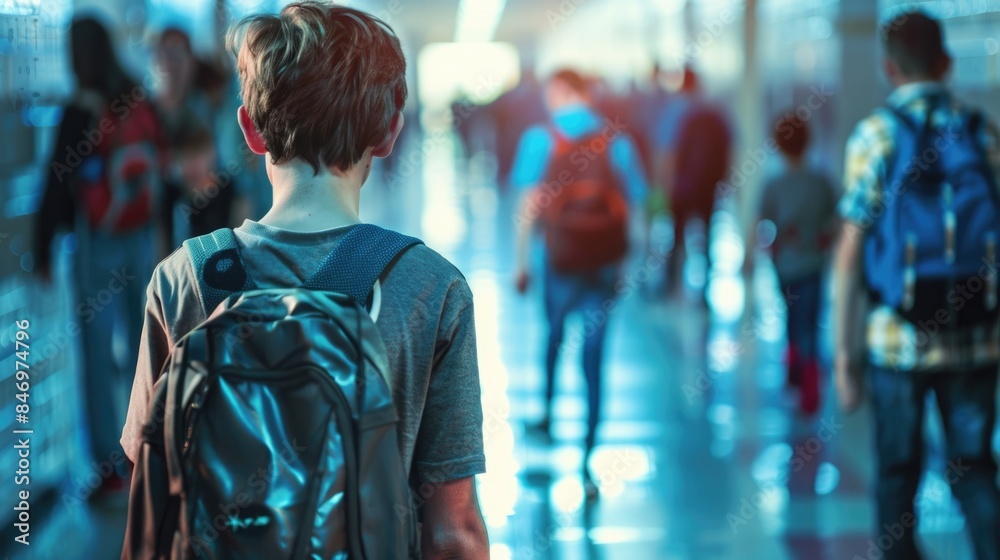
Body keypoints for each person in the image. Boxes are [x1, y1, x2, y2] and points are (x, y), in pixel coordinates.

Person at [120, 3, 489, 557]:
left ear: (249, 128)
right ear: (390, 131)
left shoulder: (183, 280)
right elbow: (451, 532)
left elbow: (150, 485)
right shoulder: (432, 289)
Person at [833, 11, 1000, 560]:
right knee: (975, 472)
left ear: (887, 67)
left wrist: (842, 357)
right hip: (978, 336)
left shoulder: (877, 135)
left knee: (897, 477)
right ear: (947, 62)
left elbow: (849, 255)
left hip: (895, 340)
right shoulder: (981, 132)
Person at [32, 17, 166, 499]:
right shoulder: (135, 95)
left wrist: (43, 246)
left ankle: (110, 467)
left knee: (95, 347)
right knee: (144, 347)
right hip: (142, 235)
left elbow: (56, 180)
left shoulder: (80, 108)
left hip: (99, 241)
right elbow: (161, 163)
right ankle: (150, 450)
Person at [511, 69, 647, 501]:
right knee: (594, 355)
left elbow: (527, 207)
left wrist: (521, 264)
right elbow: (637, 203)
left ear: (561, 91)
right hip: (605, 261)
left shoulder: (541, 138)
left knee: (553, 335)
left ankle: (549, 415)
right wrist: (631, 259)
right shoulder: (616, 141)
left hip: (559, 258)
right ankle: (589, 456)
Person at [758, 114, 838, 415]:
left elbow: (761, 222)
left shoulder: (774, 184)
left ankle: (793, 363)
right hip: (815, 265)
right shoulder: (821, 182)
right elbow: (839, 222)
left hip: (784, 266)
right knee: (811, 322)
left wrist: (754, 258)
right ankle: (808, 382)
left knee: (791, 318)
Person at [653, 66, 732, 301]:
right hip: (708, 187)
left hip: (681, 188)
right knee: (707, 236)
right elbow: (729, 148)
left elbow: (669, 153)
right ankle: (706, 288)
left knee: (676, 237)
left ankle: (670, 285)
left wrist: (664, 186)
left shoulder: (675, 110)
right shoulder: (714, 111)